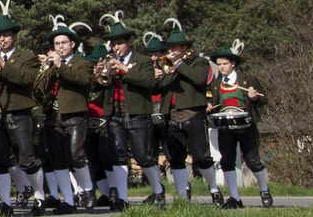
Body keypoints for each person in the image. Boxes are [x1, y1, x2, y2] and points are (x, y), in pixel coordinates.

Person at [0, 3, 42, 213]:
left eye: (5, 35)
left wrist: (4, 65)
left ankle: (40, 197)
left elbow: (27, 79)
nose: (1, 40)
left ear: (14, 37)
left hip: (19, 112)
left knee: (27, 159)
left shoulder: (27, 57)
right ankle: (5, 203)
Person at [99, 17, 167, 207]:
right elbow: (98, 87)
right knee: (118, 155)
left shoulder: (143, 61)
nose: (116, 47)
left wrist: (125, 69)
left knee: (143, 156)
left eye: (120, 43)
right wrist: (99, 74)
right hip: (115, 114)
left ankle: (158, 191)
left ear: (129, 42)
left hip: (137, 114)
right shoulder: (109, 61)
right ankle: (122, 198)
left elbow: (148, 82)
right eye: (113, 43)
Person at [39, 20, 97, 213]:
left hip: (75, 114)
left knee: (76, 154)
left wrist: (60, 65)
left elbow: (84, 81)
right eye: (56, 44)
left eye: (64, 43)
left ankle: (88, 191)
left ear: (73, 44)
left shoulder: (83, 63)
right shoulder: (51, 65)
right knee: (57, 158)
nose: (60, 47)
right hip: (53, 114)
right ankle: (68, 200)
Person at [206, 42, 272, 207]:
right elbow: (211, 103)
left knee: (253, 161)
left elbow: (264, 99)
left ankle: (264, 189)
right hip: (225, 127)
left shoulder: (247, 79)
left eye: (225, 64)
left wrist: (255, 97)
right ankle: (235, 198)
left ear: (233, 64)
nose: (221, 68)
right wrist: (208, 106)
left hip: (246, 126)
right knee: (226, 161)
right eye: (219, 65)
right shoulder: (215, 85)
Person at [158, 22, 218, 203]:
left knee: (201, 156)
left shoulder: (199, 62)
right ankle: (183, 197)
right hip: (172, 115)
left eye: (174, 48)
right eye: (169, 48)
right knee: (175, 158)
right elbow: (159, 87)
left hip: (193, 113)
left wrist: (180, 64)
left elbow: (200, 79)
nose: (171, 51)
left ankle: (214, 189)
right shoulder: (168, 66)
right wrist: (164, 71)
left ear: (184, 48)